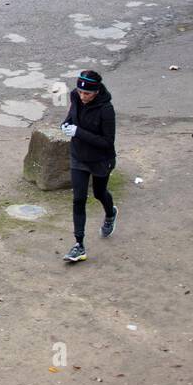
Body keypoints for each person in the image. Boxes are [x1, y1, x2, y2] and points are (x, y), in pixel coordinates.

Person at [60, 69, 117, 263]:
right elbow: (71, 116)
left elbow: (107, 142)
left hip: (100, 160)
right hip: (79, 157)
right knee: (78, 199)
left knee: (99, 193)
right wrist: (66, 126)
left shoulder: (106, 110)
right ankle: (79, 245)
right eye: (80, 92)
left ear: (97, 92)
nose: (83, 96)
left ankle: (110, 213)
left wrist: (78, 132)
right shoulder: (76, 96)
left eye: (88, 94)